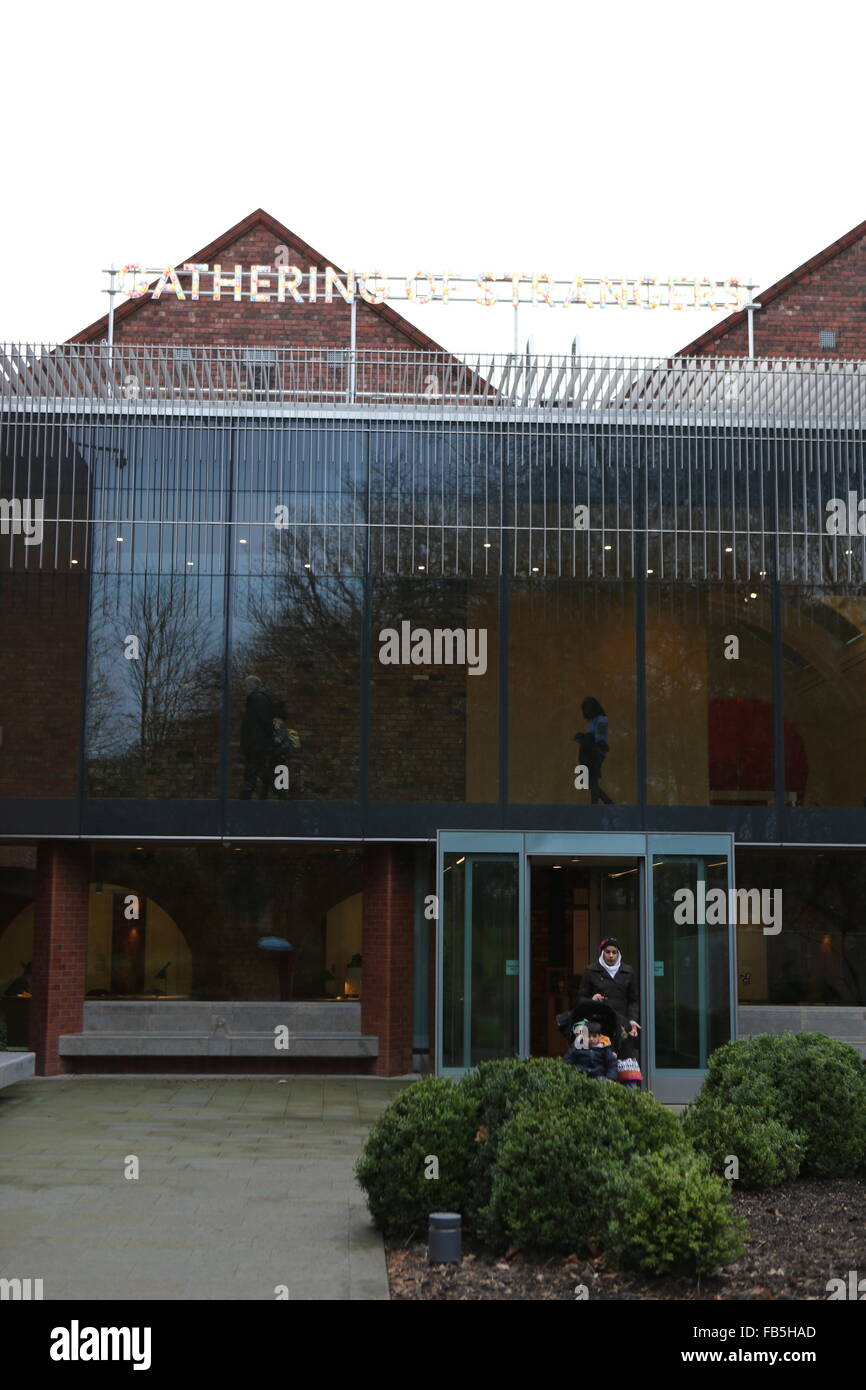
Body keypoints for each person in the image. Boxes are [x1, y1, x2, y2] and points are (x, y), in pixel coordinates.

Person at [576, 936, 641, 1062]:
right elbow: (580, 999)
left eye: (614, 952)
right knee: (599, 1062)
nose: (611, 955)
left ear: (618, 954)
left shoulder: (628, 971)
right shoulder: (591, 971)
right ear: (602, 953)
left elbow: (633, 1000)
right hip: (598, 1025)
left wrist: (632, 1020)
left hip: (622, 1024)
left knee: (624, 1062)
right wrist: (592, 999)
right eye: (607, 952)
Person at [239, 674, 289, 800]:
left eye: (246, 685)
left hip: (257, 742)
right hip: (257, 742)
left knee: (256, 768)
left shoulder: (257, 698)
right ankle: (249, 791)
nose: (245, 688)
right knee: (257, 768)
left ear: (252, 685)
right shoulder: (258, 698)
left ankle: (248, 791)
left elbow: (263, 721)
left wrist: (259, 739)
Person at [574, 696, 614, 805]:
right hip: (589, 752)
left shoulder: (601, 719)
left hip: (595, 753)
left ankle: (596, 805)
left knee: (592, 780)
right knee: (590, 781)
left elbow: (600, 737)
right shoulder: (592, 720)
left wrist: (586, 739)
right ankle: (606, 803)